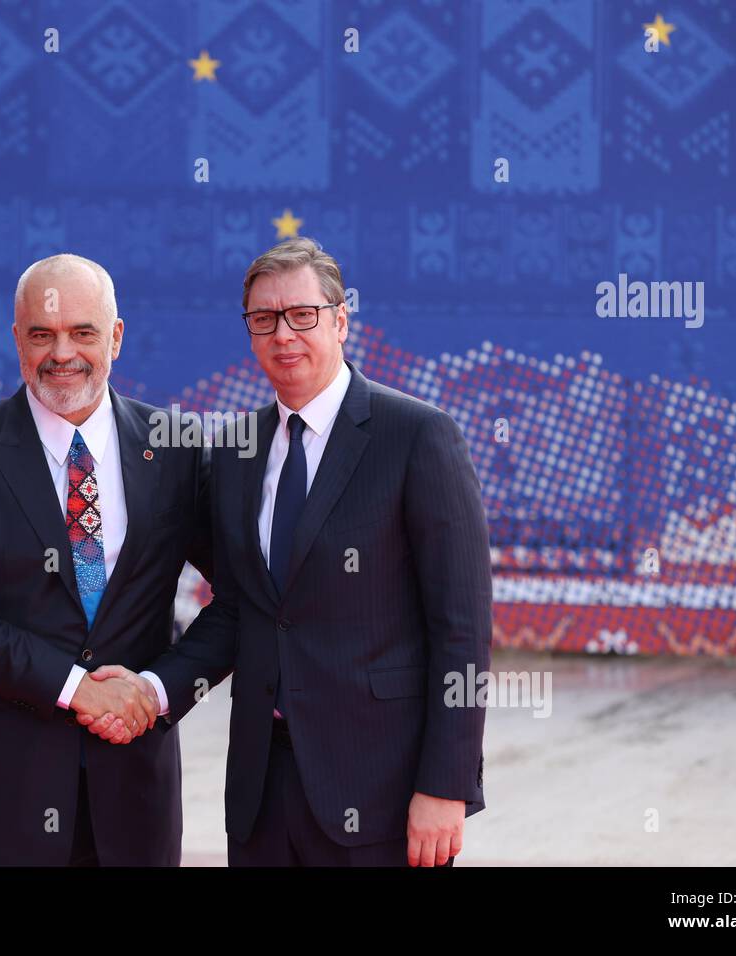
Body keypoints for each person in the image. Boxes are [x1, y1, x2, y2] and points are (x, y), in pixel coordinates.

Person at [83, 237, 492, 867]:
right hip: (261, 793)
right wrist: (155, 690)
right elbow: (240, 609)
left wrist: (445, 786)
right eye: (264, 320)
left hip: (380, 791)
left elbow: (462, 631)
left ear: (340, 321)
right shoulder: (237, 449)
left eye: (302, 315)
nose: (284, 335)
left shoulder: (416, 436)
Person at [0, 253, 210, 865]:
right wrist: (77, 689)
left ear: (117, 338)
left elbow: (241, 599)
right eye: (42, 334)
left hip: (134, 794)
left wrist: (156, 691)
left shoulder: (174, 449)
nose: (62, 353)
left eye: (83, 332)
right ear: (17, 338)